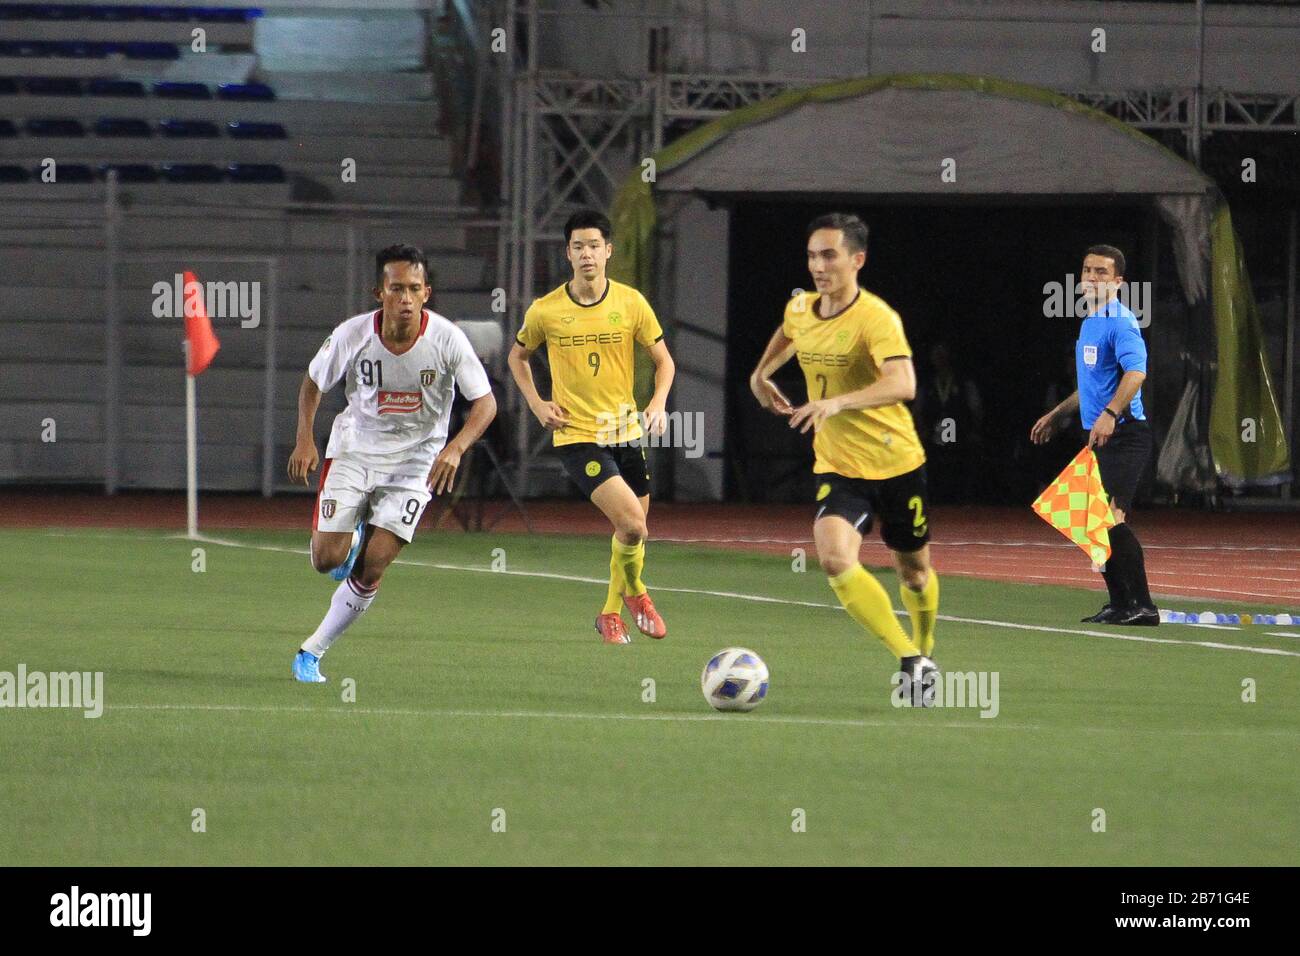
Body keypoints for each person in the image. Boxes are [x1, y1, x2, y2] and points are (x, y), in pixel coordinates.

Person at [286, 244, 498, 682]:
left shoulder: (447, 339)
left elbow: (486, 403)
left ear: (426, 294)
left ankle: (311, 651)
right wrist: (305, 438)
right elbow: (313, 382)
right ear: (378, 293)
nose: (405, 298)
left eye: (414, 289)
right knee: (325, 560)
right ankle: (350, 535)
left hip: (415, 463)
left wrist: (455, 448)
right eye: (396, 288)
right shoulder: (353, 334)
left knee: (375, 563)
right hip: (355, 451)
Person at [749, 212, 939, 693]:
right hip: (838, 465)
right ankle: (910, 659)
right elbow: (789, 331)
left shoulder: (877, 318)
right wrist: (760, 375)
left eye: (829, 255)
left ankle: (925, 647)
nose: (818, 266)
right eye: (812, 256)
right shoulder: (801, 308)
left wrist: (837, 401)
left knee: (915, 573)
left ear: (857, 260)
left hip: (897, 463)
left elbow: (903, 383)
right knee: (834, 558)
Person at [507, 209, 676, 644]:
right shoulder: (546, 310)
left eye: (594, 246)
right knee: (634, 526)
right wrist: (537, 404)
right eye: (578, 246)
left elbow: (664, 361)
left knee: (632, 532)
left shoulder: (631, 303)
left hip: (626, 432)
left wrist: (657, 403)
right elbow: (517, 357)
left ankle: (610, 614)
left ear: (608, 251)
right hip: (578, 436)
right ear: (568, 253)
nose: (587, 254)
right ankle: (637, 592)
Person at [1030, 244, 1158, 626]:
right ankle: (1120, 603)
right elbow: (1090, 386)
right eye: (1087, 270)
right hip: (1100, 435)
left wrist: (1110, 414)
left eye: (1101, 272)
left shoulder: (1121, 321)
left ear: (1118, 282)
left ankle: (1143, 605)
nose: (1092, 278)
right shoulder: (1090, 322)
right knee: (1091, 521)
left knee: (1111, 517)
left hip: (1126, 434)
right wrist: (1057, 414)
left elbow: (1136, 373)